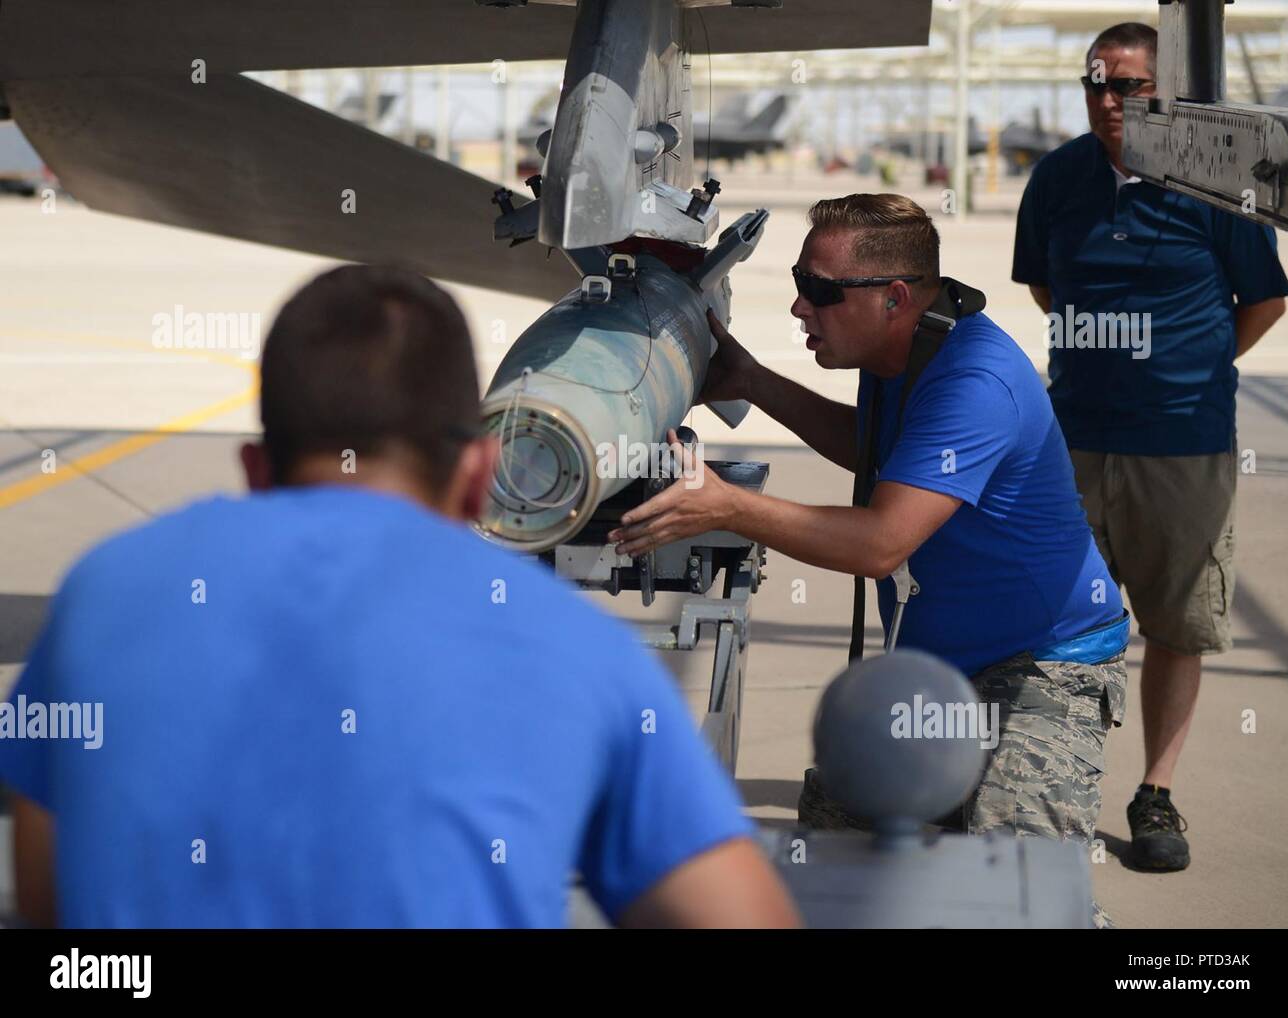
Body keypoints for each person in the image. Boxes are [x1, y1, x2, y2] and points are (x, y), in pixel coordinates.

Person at [0, 264, 799, 929]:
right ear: (481, 476)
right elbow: (740, 916)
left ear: (253, 468)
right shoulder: (569, 646)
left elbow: (46, 900)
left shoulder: (104, 595)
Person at [609, 193, 1129, 860]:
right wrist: (755, 382)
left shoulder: (974, 379)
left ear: (893, 297)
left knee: (1016, 882)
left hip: (1043, 665)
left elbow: (880, 544)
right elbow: (884, 449)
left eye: (817, 289)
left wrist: (729, 506)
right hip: (940, 666)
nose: (800, 306)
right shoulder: (906, 354)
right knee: (837, 850)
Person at [1012, 22, 1288, 872]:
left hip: (1184, 444)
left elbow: (1264, 303)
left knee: (1177, 624)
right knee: (1057, 621)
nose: (1109, 99)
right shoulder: (1058, 179)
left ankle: (1155, 793)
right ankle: (1052, 782)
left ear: (1166, 91)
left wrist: (1186, 369)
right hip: (1077, 442)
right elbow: (1043, 286)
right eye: (1095, 82)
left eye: (1129, 85)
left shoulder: (1217, 184)